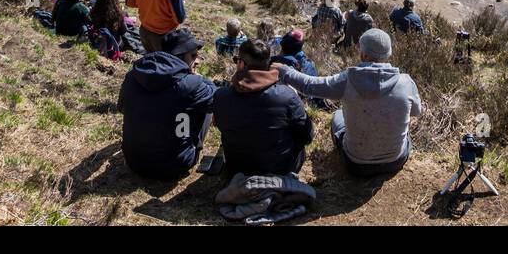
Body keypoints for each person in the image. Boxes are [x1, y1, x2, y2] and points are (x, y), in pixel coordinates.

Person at [277, 28, 421, 177]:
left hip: (356, 164)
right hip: (396, 161)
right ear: (388, 53)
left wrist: (285, 71)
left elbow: (309, 85)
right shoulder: (406, 81)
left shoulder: (347, 80)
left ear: (363, 53)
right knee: (404, 131)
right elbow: (416, 111)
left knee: (338, 115)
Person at [118, 28, 215, 179]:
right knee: (206, 105)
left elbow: (122, 108)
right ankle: (193, 145)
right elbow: (218, 99)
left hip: (134, 162)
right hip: (175, 166)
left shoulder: (133, 75)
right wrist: (201, 79)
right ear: (181, 56)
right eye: (194, 56)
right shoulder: (191, 84)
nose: (197, 61)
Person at [212, 38, 313, 177]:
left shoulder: (220, 96)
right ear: (268, 64)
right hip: (281, 170)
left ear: (241, 64)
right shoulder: (287, 96)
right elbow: (307, 136)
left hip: (237, 170)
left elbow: (220, 126)